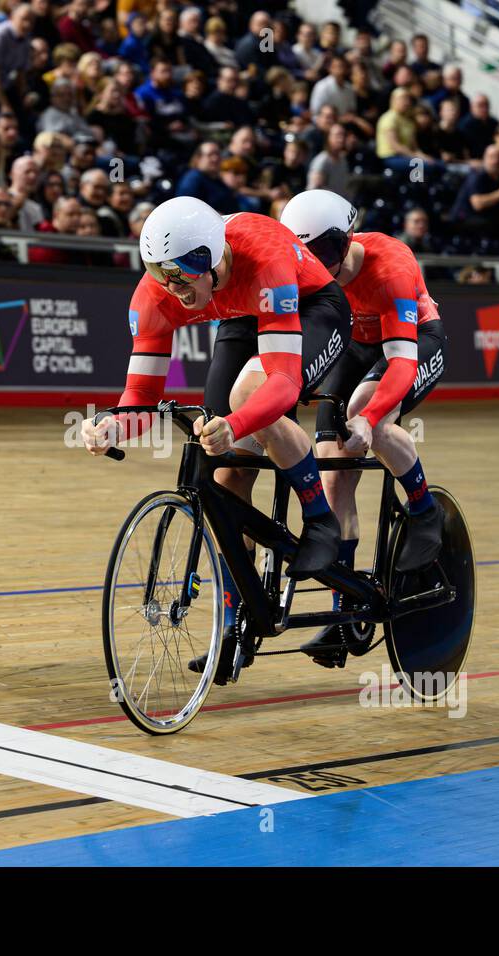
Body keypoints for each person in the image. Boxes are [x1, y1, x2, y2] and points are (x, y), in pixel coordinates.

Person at [80, 197, 353, 682]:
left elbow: (284, 385)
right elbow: (141, 396)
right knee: (225, 473)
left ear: (210, 257)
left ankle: (320, 519)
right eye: (160, 276)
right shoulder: (156, 294)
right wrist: (112, 424)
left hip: (309, 305)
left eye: (181, 278)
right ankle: (234, 624)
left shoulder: (262, 257)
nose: (172, 290)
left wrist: (240, 421)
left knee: (248, 397)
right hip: (240, 312)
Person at [280, 189, 446, 662]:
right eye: (307, 256)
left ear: (348, 238)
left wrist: (371, 420)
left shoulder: (391, 265)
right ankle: (344, 611)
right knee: (334, 464)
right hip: (356, 344)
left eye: (328, 252)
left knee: (365, 413)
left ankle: (423, 506)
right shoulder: (309, 273)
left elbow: (399, 363)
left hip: (412, 343)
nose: (320, 265)